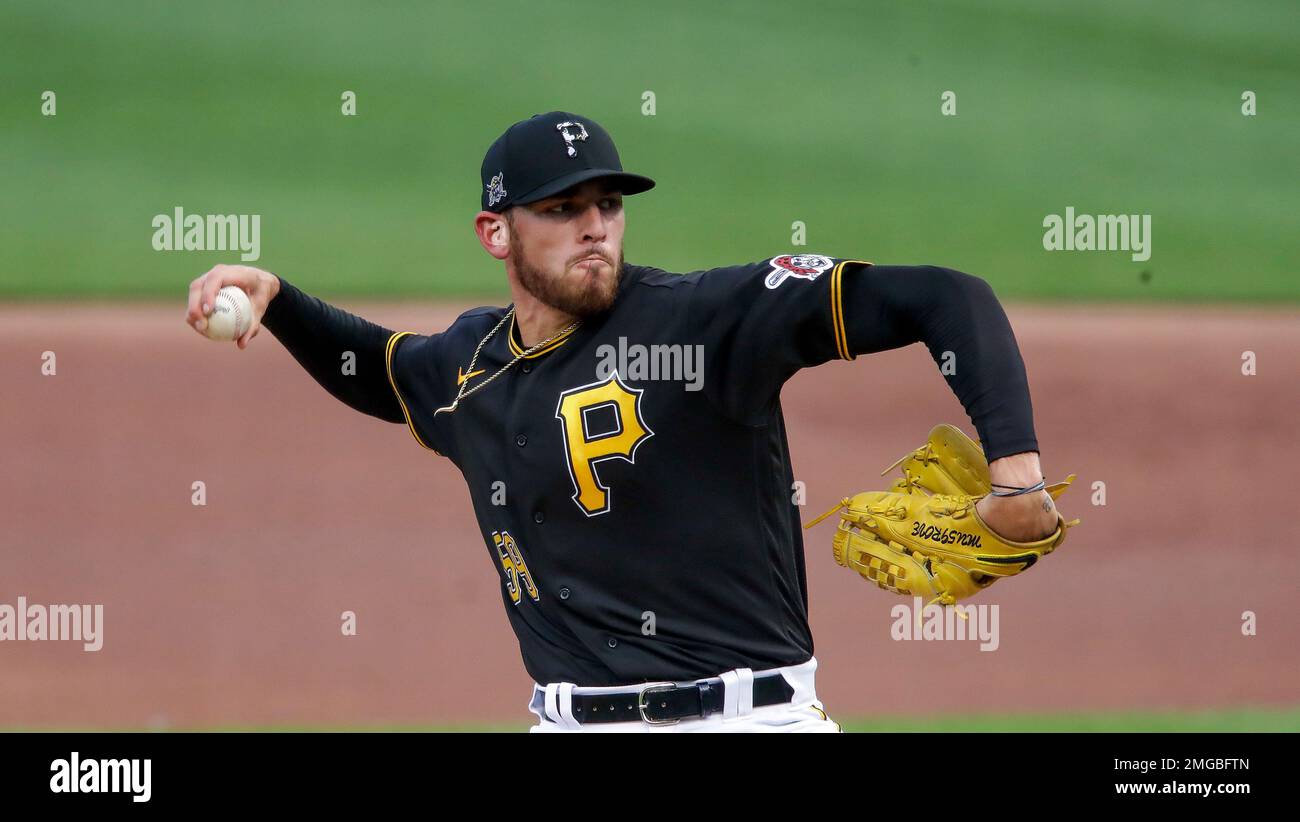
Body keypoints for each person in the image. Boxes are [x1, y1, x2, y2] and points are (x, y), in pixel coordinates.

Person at [185, 111, 1064, 732]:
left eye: (607, 204)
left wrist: (1016, 477)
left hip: (748, 720)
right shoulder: (467, 366)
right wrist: (281, 300)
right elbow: (379, 371)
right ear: (496, 233)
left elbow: (949, 297)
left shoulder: (707, 319)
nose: (595, 228)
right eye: (562, 210)